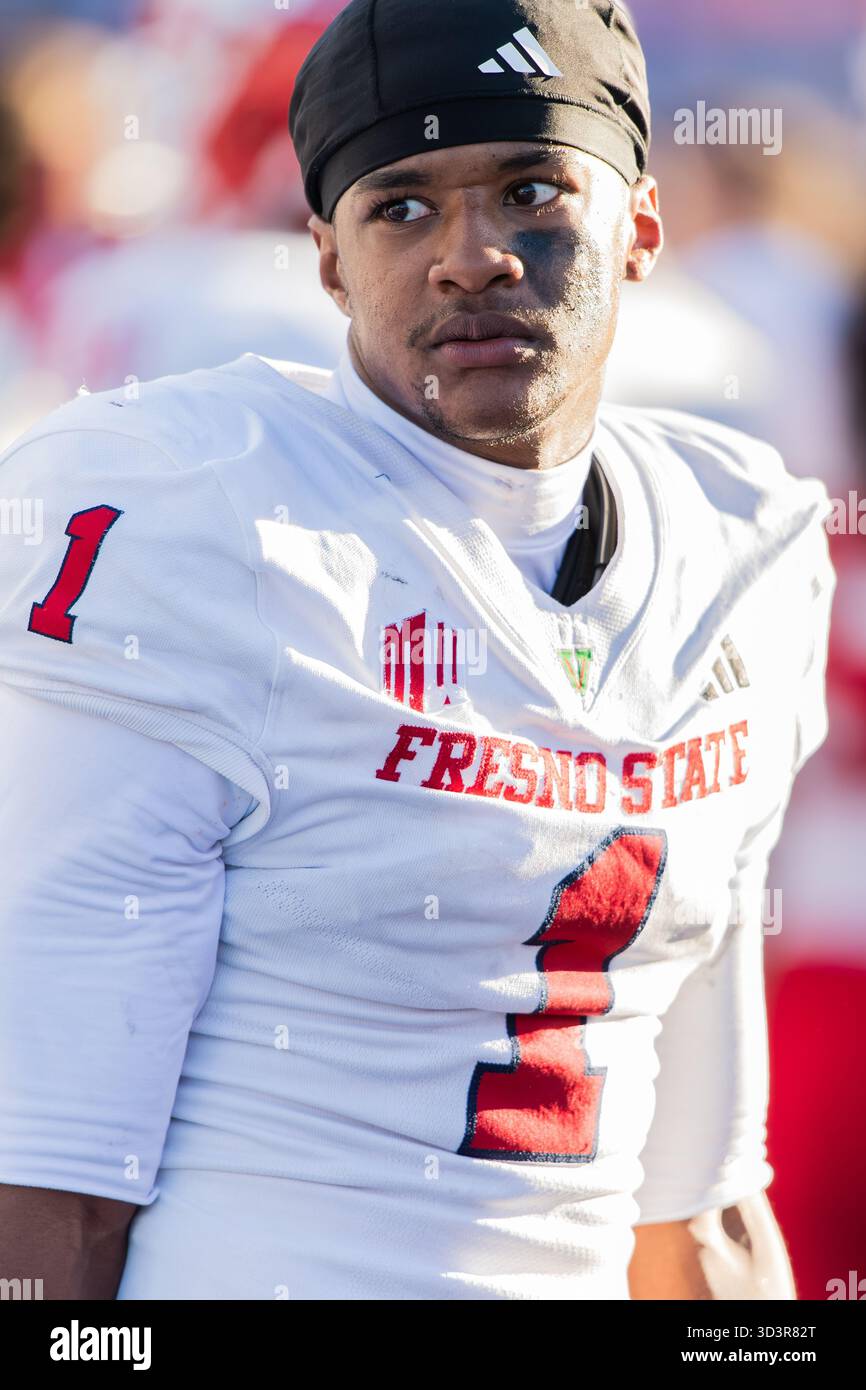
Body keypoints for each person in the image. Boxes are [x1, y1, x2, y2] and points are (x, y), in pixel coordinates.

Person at [0, 0, 834, 1300]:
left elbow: (704, 1205)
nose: (473, 256)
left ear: (645, 225)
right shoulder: (191, 512)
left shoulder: (741, 540)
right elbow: (46, 1188)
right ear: (325, 260)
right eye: (401, 206)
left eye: (531, 189)